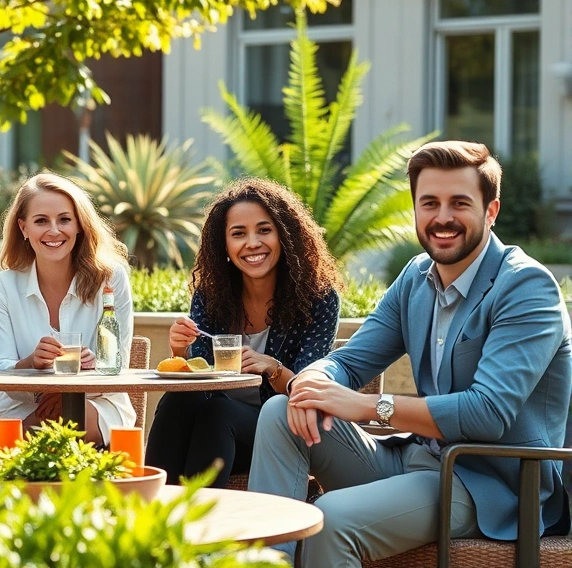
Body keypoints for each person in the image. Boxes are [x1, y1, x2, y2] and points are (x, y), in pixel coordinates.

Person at [249, 141, 572, 566]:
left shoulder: (525, 286)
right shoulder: (417, 277)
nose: (442, 217)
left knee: (331, 516)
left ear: (490, 211)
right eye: (429, 203)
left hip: (491, 484)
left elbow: (488, 412)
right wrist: (315, 378)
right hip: (417, 458)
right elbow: (350, 360)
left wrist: (368, 406)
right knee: (280, 410)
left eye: (459, 203)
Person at [144, 178, 341, 487]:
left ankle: (199, 526)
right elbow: (202, 381)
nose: (252, 243)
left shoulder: (317, 299)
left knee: (217, 413)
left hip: (279, 429)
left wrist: (272, 368)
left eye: (264, 230)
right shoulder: (211, 298)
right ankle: (151, 514)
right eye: (238, 233)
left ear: (285, 235)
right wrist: (180, 353)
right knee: (178, 401)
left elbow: (306, 392)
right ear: (224, 245)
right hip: (214, 433)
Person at [0, 173, 135, 445]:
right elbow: (0, 370)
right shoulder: (4, 285)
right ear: (23, 228)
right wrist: (32, 364)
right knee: (52, 419)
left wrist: (77, 385)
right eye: (41, 220)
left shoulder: (111, 279)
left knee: (70, 414)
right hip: (23, 408)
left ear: (79, 224)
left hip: (96, 402)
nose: (54, 230)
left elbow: (117, 367)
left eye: (64, 219)